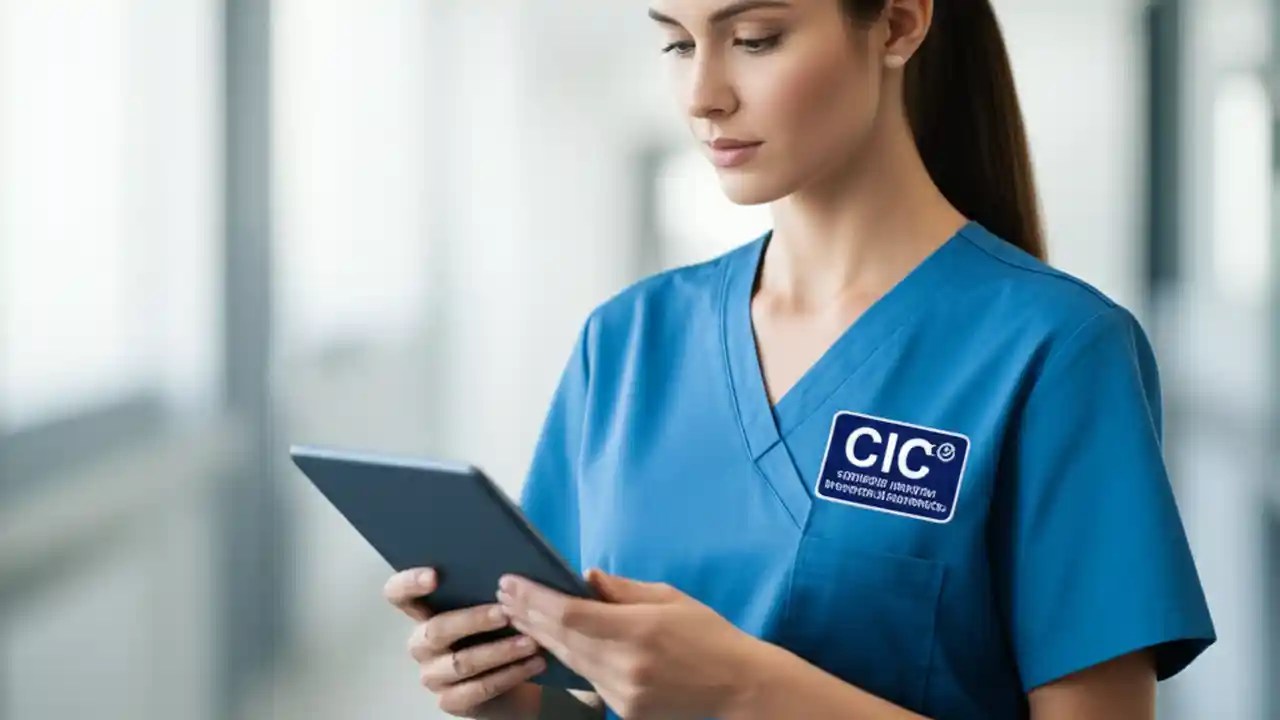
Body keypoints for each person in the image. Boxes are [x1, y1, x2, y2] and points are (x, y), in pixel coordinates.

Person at [383, 1, 1217, 718]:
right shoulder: (627, 343)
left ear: (897, 23)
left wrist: (745, 692)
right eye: (678, 43)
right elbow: (578, 695)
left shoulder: (1056, 352)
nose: (703, 96)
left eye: (755, 38)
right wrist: (509, 700)